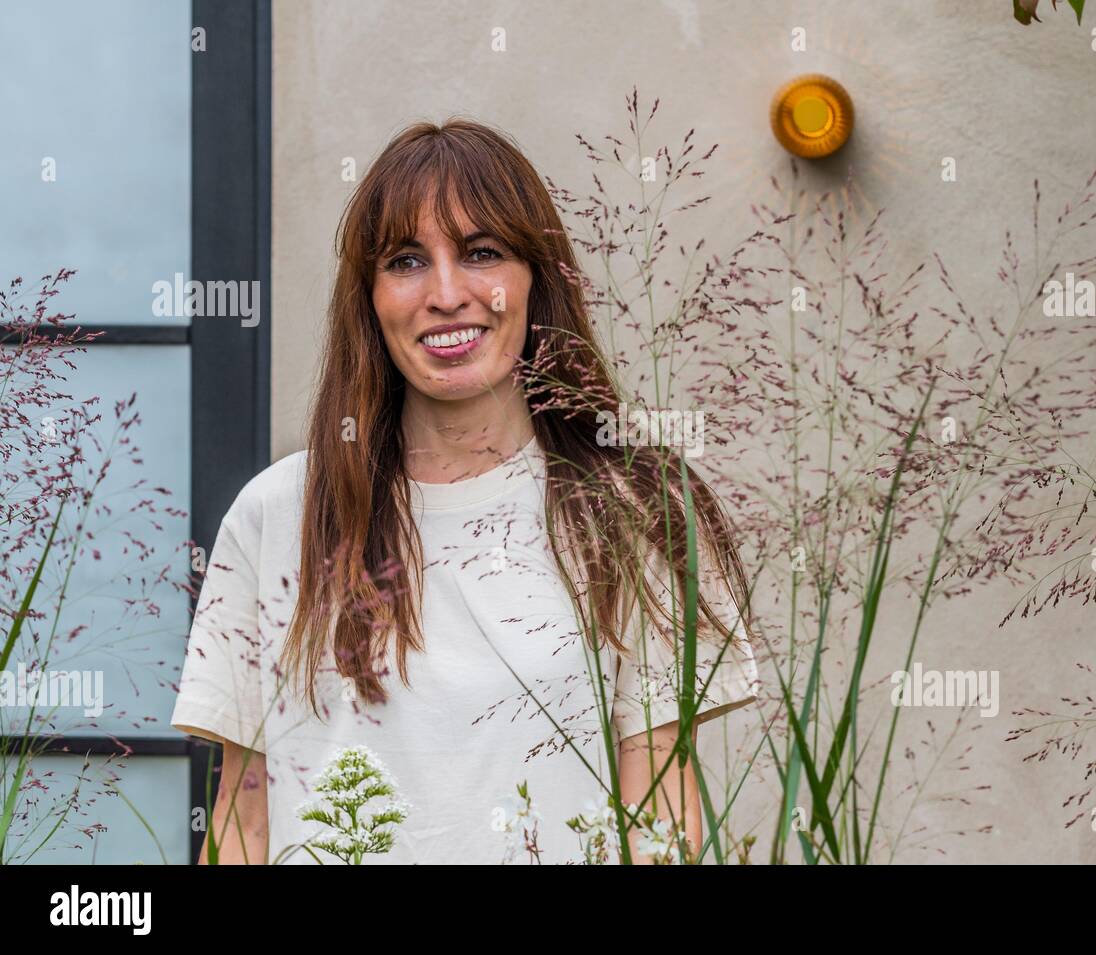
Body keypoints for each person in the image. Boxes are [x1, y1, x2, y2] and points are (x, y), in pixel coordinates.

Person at [170, 119, 761, 865]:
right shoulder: (275, 513)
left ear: (535, 278)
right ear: (371, 298)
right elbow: (242, 822)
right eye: (407, 260)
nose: (447, 293)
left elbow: (662, 823)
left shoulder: (631, 507)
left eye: (482, 252)